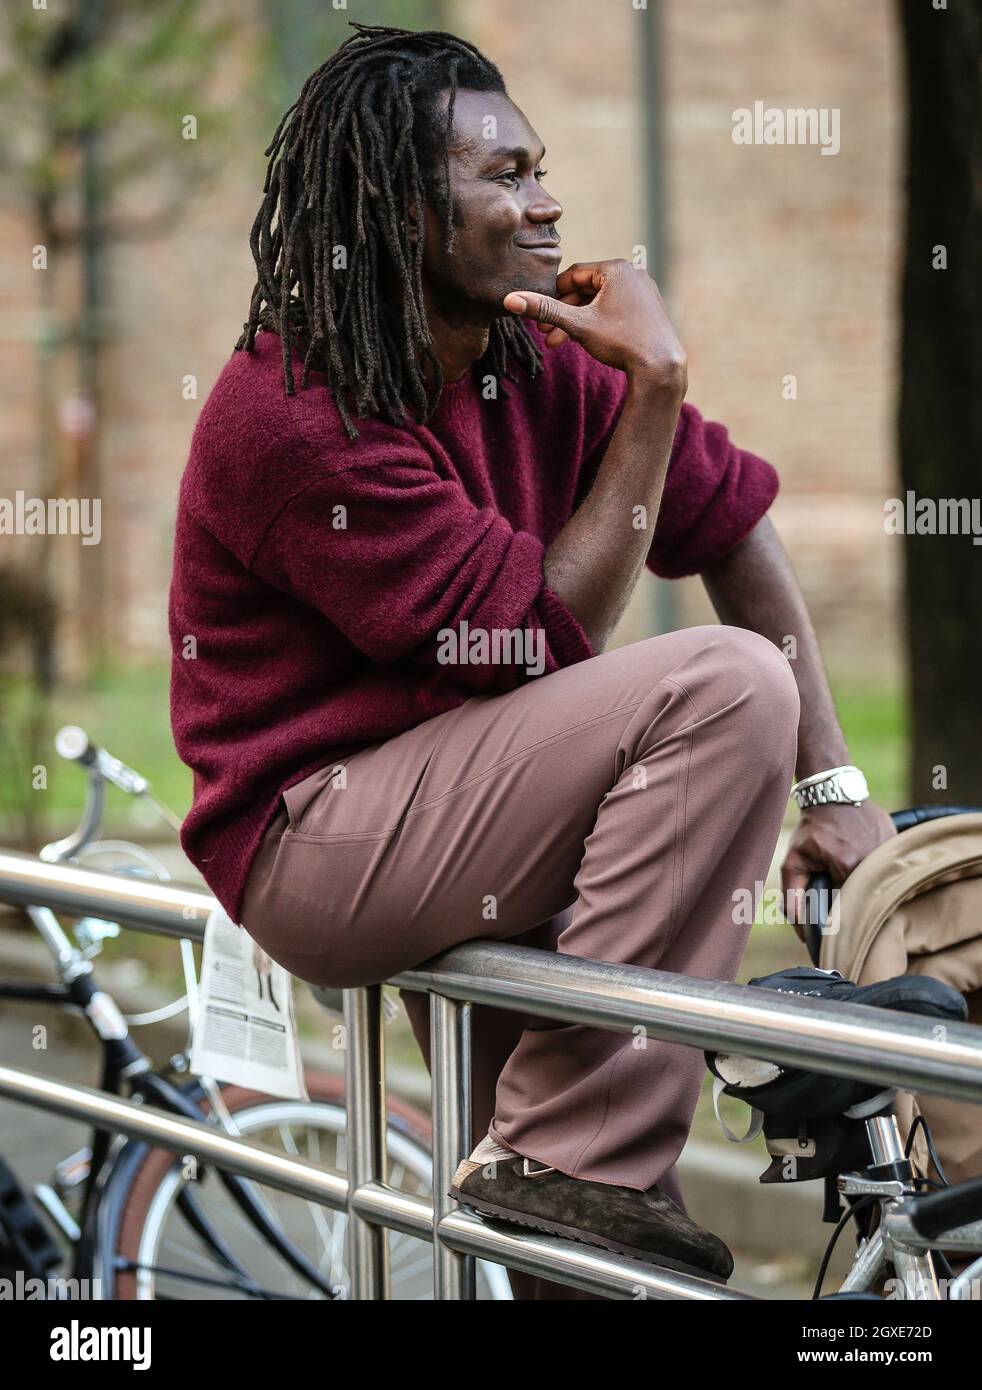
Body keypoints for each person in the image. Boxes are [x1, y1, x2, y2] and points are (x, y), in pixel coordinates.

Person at [167, 22, 896, 1299]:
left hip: (476, 815)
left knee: (591, 1254)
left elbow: (730, 522)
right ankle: (566, 1155)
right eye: (503, 175)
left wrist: (830, 791)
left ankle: (564, 1171)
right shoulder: (289, 414)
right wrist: (656, 390)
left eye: (541, 166)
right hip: (310, 839)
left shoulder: (538, 362)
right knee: (723, 684)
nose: (547, 199)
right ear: (400, 211)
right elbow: (529, 645)